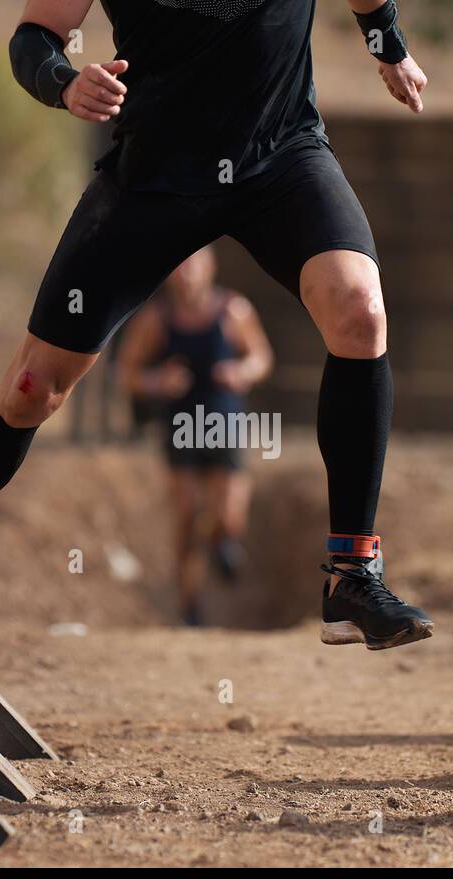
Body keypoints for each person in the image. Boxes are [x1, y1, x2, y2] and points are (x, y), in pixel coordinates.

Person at [0, 0, 434, 652]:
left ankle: (352, 575)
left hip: (279, 156)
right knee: (33, 387)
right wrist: (64, 83)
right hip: (155, 174)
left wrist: (390, 44)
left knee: (360, 311)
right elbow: (35, 36)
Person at [118, 247, 271, 626]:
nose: (186, 276)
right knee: (185, 514)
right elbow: (128, 372)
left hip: (224, 423)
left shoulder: (233, 311)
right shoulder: (157, 319)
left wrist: (242, 371)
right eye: (180, 268)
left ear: (210, 268)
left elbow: (261, 357)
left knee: (230, 515)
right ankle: (189, 603)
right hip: (180, 426)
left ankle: (221, 540)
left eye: (193, 267)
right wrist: (158, 381)